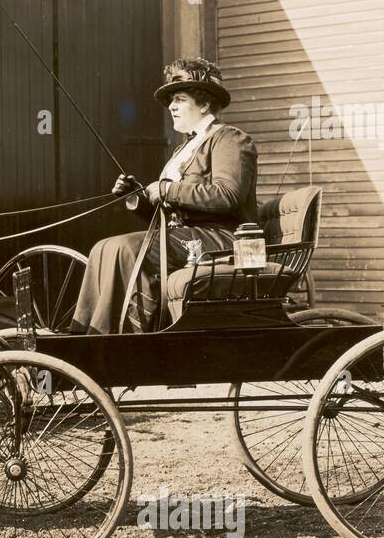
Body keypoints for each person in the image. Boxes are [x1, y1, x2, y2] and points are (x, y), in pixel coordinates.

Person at [69, 58, 258, 334]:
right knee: (102, 247)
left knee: (124, 248)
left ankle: (110, 337)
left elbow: (227, 195)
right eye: (172, 100)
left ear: (204, 103)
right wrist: (138, 197)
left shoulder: (230, 139)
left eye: (180, 99)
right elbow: (168, 211)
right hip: (184, 239)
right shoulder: (184, 149)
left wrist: (166, 189)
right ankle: (83, 333)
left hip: (222, 240)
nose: (171, 106)